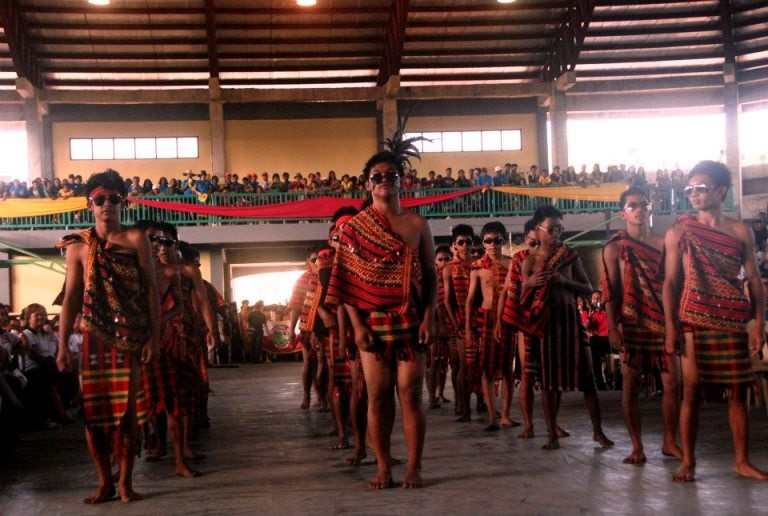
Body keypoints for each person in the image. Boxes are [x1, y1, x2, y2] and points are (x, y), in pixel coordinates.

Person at [327, 150, 436, 489]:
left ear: (402, 181)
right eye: (378, 176)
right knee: (377, 395)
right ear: (367, 184)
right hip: (372, 323)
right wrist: (357, 327)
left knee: (410, 393)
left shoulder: (418, 224)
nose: (385, 181)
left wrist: (429, 319)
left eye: (392, 176)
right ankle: (384, 466)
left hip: (411, 318)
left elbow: (431, 276)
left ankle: (414, 468)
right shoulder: (354, 228)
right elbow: (346, 281)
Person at [56, 169, 161, 504]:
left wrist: (153, 338)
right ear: (90, 205)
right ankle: (104, 482)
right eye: (99, 200)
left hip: (130, 337)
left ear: (123, 202)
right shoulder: (77, 250)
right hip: (93, 339)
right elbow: (71, 299)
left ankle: (126, 482)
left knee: (128, 413)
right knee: (94, 414)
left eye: (113, 199)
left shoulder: (135, 240)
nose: (106, 205)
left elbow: (151, 293)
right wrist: (61, 346)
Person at [662, 160, 767, 482]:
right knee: (691, 390)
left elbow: (753, 279)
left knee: (738, 392)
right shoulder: (679, 231)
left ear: (721, 191)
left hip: (733, 319)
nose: (694, 194)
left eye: (701, 188)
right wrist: (670, 327)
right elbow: (669, 282)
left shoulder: (739, 230)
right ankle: (689, 462)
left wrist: (759, 322)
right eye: (689, 189)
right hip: (694, 318)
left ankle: (741, 461)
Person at [521, 204, 613, 451]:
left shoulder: (570, 256)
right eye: (551, 229)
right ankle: (551, 433)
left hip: (570, 317)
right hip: (546, 322)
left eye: (559, 229)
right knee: (549, 381)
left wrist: (564, 280)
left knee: (588, 377)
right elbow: (518, 295)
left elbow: (588, 286)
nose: (556, 234)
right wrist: (530, 282)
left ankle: (597, 431)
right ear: (538, 230)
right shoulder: (528, 260)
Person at [602, 186, 681, 465]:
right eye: (633, 205)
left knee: (673, 383)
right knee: (630, 384)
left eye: (644, 205)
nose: (639, 209)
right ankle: (637, 446)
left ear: (651, 209)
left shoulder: (665, 242)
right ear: (623, 212)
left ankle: (670, 441)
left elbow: (675, 283)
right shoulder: (614, 247)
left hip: (664, 320)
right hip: (632, 322)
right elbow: (611, 289)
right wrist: (613, 326)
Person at [134, 219, 201, 477]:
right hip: (139, 344)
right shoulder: (132, 268)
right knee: (147, 404)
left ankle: (180, 458)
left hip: (169, 342)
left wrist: (167, 326)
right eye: (152, 239)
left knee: (176, 401)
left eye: (162, 241)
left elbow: (182, 307)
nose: (158, 245)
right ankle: (156, 447)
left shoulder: (175, 272)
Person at [466, 221, 514, 431]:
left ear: (504, 240)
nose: (493, 244)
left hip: (508, 319)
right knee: (486, 368)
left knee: (507, 369)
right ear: (483, 242)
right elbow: (470, 299)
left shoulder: (512, 264)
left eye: (498, 240)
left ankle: (505, 415)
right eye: (488, 240)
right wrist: (468, 327)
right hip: (486, 317)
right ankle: (492, 416)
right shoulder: (477, 267)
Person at [442, 224, 475, 421]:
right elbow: (447, 300)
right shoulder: (449, 268)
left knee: (479, 364)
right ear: (454, 245)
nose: (465, 246)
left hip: (479, 316)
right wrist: (455, 323)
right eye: (460, 243)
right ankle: (463, 406)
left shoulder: (479, 264)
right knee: (463, 366)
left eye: (468, 242)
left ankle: (481, 402)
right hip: (461, 317)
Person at [288, 252, 319, 409]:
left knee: (325, 365)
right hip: (308, 327)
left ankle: (322, 398)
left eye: (319, 259)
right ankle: (307, 396)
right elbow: (296, 306)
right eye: (314, 259)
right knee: (309, 364)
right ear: (307, 261)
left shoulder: (328, 274)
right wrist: (291, 330)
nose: (317, 262)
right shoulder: (302, 280)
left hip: (324, 328)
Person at [428, 245, 452, 409]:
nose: (443, 262)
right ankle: (431, 396)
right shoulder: (433, 278)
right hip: (436, 325)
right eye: (440, 259)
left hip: (449, 325)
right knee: (434, 363)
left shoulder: (451, 276)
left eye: (446, 259)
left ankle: (441, 393)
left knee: (444, 363)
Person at [586, 291, 611, 390]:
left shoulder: (608, 311)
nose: (595, 300)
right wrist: (590, 317)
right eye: (593, 298)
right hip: (598, 341)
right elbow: (587, 328)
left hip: (609, 339)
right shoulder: (592, 313)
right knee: (593, 341)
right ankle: (600, 385)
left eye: (598, 298)